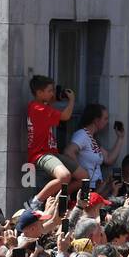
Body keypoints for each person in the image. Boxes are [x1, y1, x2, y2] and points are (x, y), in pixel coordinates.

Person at [26, 75, 84, 205]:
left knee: (84, 177)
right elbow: (65, 116)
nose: (52, 94)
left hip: (52, 153)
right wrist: (71, 100)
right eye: (49, 91)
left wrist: (54, 98)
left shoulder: (39, 106)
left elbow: (50, 108)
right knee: (64, 176)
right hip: (41, 154)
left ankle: (54, 198)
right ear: (39, 93)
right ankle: (36, 201)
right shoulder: (39, 109)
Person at [70, 105, 125, 190]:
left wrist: (120, 138)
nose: (107, 122)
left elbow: (108, 159)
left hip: (96, 187)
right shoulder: (82, 134)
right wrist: (80, 172)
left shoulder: (93, 138)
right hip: (86, 188)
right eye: (105, 118)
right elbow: (69, 152)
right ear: (96, 120)